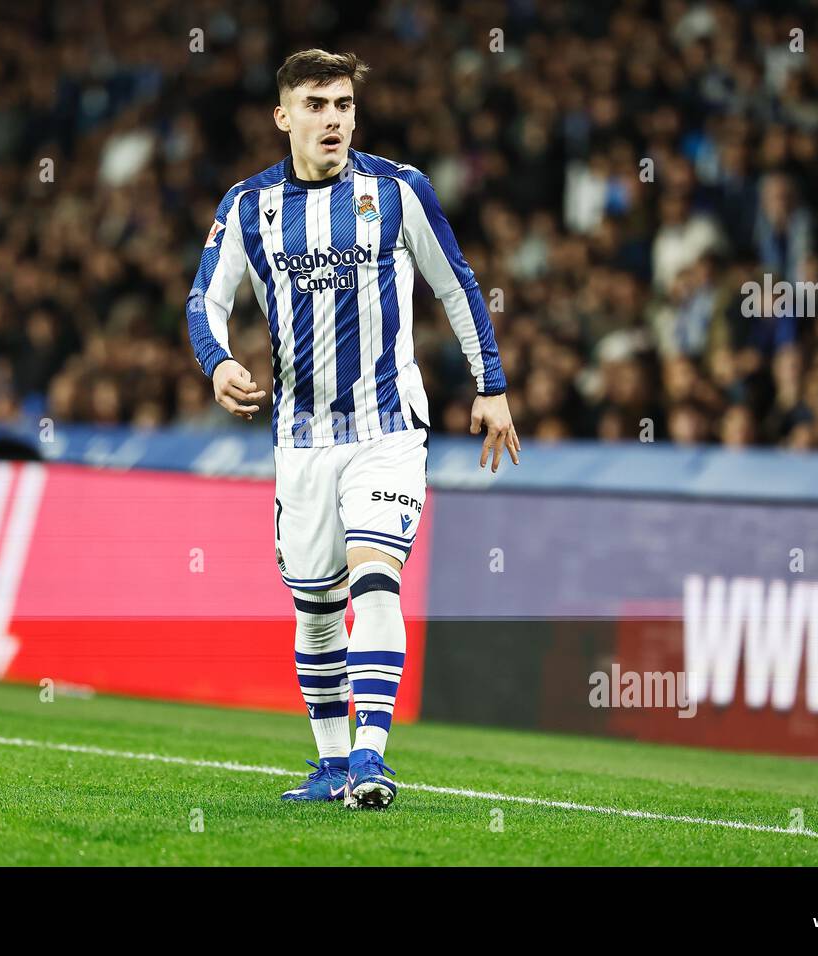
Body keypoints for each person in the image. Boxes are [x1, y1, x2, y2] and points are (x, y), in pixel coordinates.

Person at [185, 49, 519, 809]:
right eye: (315, 105)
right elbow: (205, 298)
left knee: (375, 576)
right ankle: (333, 764)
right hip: (299, 439)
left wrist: (491, 385)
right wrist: (216, 363)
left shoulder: (398, 191)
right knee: (313, 607)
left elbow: (456, 282)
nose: (331, 118)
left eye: (342, 104)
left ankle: (372, 757)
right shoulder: (248, 206)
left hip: (386, 429)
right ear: (284, 116)